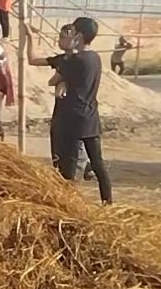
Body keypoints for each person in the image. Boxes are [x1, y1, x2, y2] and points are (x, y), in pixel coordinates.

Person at [23, 17, 112, 204]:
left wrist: (62, 81)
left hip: (72, 117)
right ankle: (107, 201)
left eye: (72, 31)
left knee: (68, 166)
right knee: (98, 163)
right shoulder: (95, 57)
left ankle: (69, 204)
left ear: (78, 35)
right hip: (90, 116)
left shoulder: (74, 60)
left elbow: (53, 81)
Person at [47, 24, 89, 179]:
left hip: (74, 108)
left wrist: (63, 80)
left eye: (64, 37)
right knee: (60, 141)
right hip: (63, 107)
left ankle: (81, 169)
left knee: (74, 145)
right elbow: (33, 60)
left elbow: (53, 81)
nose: (60, 40)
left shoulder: (78, 60)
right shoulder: (63, 59)